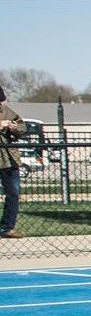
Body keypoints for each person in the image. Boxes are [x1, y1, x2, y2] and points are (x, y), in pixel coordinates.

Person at [0, 85, 22, 239]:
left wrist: (15, 127)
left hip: (9, 159)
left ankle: (7, 227)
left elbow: (23, 126)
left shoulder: (7, 111)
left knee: (13, 194)